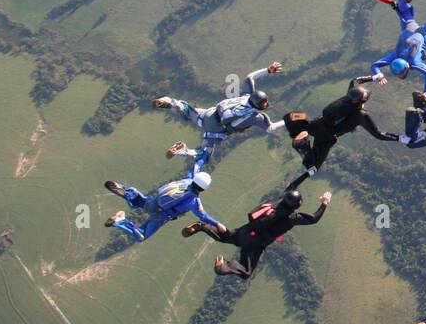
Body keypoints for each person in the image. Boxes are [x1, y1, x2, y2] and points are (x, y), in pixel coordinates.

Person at [154, 62, 285, 173]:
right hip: (216, 131)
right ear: (257, 104)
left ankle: (170, 102)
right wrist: (288, 120)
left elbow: (249, 77)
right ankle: (184, 151)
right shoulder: (256, 116)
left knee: (187, 110)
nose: (267, 103)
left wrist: (268, 70)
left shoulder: (247, 97)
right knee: (204, 155)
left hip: (208, 115)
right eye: (265, 102)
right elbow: (270, 128)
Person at [282, 76, 398, 191]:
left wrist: (374, 77)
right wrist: (400, 138)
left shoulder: (349, 95)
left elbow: (355, 80)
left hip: (317, 123)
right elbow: (378, 134)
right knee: (313, 169)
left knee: (297, 120)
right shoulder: (359, 116)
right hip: (326, 136)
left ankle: (298, 130)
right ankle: (295, 179)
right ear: (360, 101)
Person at [188, 189, 331, 278]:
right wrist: (324, 203)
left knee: (228, 236)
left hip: (246, 231)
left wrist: (306, 174)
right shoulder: (293, 218)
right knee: (246, 271)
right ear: (297, 205)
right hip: (256, 243)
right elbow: (314, 219)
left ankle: (202, 227)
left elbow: (290, 188)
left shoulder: (276, 203)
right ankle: (223, 268)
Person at [103, 170, 219, 243]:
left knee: (141, 202)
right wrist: (218, 224)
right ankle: (121, 221)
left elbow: (196, 166)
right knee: (142, 235)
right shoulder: (193, 200)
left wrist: (204, 154)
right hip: (162, 215)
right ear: (203, 188)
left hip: (156, 201)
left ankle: (129, 192)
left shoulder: (188, 180)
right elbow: (203, 216)